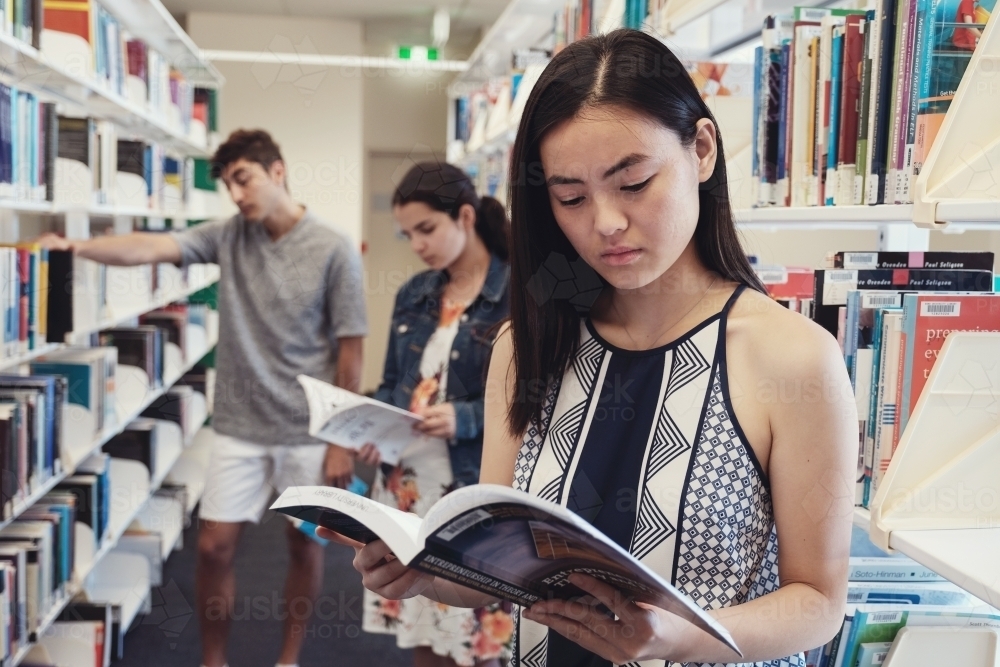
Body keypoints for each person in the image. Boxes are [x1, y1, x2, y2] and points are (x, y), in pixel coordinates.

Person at [332, 30, 856, 667]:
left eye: (633, 183)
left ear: (702, 150)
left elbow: (817, 601)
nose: (605, 222)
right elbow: (494, 567)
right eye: (572, 198)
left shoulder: (793, 358)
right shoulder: (527, 347)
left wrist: (680, 639)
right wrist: (425, 572)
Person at [40, 129, 376, 667]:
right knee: (213, 548)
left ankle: (288, 660)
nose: (236, 195)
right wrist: (77, 247)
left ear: (278, 171)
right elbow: (151, 247)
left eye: (244, 179)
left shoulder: (334, 246)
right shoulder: (229, 235)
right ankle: (212, 661)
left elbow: (351, 350)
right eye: (228, 185)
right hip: (239, 427)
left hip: (307, 431)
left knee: (304, 546)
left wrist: (339, 440)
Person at [362, 161, 513, 667]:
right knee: (421, 627)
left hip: (470, 482)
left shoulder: (517, 295)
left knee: (475, 638)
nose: (418, 245)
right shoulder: (414, 293)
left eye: (426, 229)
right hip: (407, 484)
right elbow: (390, 382)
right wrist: (373, 424)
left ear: (465, 216)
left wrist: (465, 417)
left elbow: (539, 400)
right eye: (408, 234)